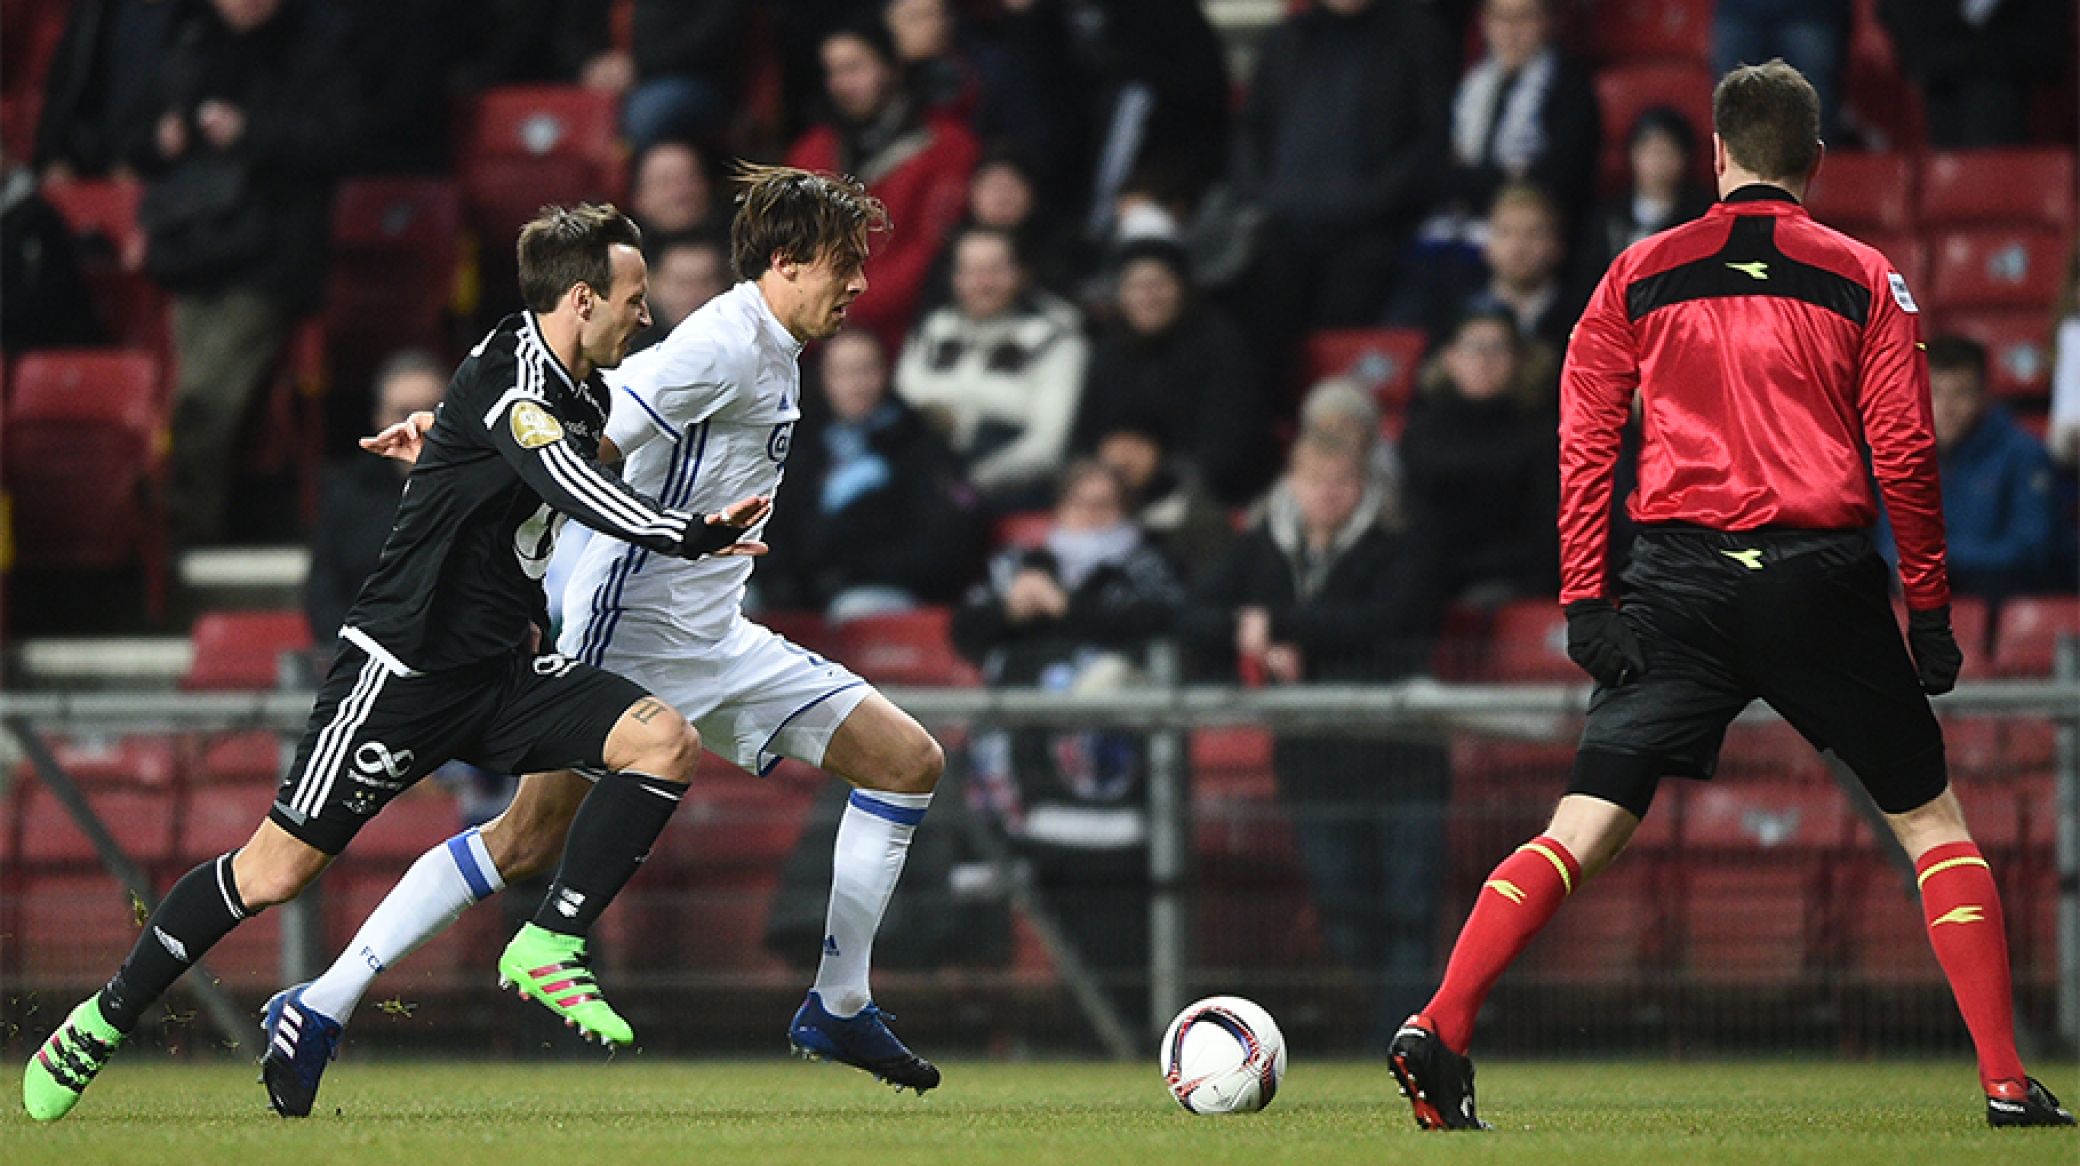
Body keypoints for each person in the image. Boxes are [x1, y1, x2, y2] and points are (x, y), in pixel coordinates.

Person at [1386, 61, 2076, 1132]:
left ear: (1715, 155)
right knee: (1930, 821)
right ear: (1814, 161)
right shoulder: (1866, 275)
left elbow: (1583, 439)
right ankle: (2001, 1080)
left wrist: (1583, 598)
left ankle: (1443, 1018)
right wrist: (1929, 609)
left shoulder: (1633, 273)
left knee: (1585, 823)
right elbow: (1903, 446)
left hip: (1675, 582)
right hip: (1818, 582)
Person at [22, 202, 773, 1122]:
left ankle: (553, 941)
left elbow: (520, 485)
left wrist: (449, 450)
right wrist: (686, 532)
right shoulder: (518, 381)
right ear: (582, 299)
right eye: (632, 298)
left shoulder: (580, 391)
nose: (644, 315)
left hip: (497, 674)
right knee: (273, 873)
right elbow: (570, 485)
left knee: (663, 742)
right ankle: (101, 1019)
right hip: (401, 676)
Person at [254, 166, 951, 1116]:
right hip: (627, 633)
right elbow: (590, 433)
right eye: (845, 264)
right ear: (786, 264)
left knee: (908, 760)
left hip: (715, 634)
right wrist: (468, 443)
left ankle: (838, 1004)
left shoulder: (778, 345)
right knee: (525, 841)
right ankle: (323, 1003)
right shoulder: (718, 344)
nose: (861, 284)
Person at [1182, 430, 1443, 1046]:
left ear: (1364, 487)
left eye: (1344, 482)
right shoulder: (1265, 548)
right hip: (1314, 764)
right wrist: (1256, 637)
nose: (1330, 494)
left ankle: (1404, 1042)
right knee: (1343, 908)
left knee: (1411, 911)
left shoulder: (1402, 541)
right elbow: (1194, 614)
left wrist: (1281, 627)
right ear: (1291, 487)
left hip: (1402, 759)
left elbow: (1393, 619)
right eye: (1317, 481)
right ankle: (1401, 1021)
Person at [951, 459, 1182, 1037]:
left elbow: (1163, 621)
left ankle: (1126, 1032)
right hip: (1026, 781)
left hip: (1118, 784)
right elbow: (965, 630)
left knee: (1119, 923)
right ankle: (1064, 1031)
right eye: (1080, 505)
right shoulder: (1020, 566)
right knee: (1053, 916)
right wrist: (1010, 608)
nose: (1090, 518)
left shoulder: (1147, 566)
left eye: (1105, 506)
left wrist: (1063, 609)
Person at [134, 0, 359, 544]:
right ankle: (170, 520)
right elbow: (141, 134)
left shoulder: (313, 50)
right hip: (197, 253)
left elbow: (336, 143)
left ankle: (184, 524)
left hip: (272, 261)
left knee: (202, 394)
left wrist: (250, 131)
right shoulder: (191, 44)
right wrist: (166, 136)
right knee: (183, 390)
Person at [1231, 0, 1454, 374]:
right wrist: (1263, 196)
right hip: (1284, 228)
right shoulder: (1285, 39)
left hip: (1373, 234)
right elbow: (1252, 128)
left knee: (1341, 351)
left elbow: (1431, 138)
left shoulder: (1417, 36)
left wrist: (1372, 201)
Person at [761, 327, 980, 619]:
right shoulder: (800, 444)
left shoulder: (919, 444)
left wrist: (850, 567)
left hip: (886, 590)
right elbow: (773, 529)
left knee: (853, 611)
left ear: (887, 373)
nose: (856, 384)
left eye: (867, 370)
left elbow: (944, 546)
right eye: (842, 373)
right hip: (804, 591)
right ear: (823, 379)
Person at [785, 21, 978, 351]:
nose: (841, 84)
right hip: (816, 342)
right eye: (833, 72)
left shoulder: (947, 147)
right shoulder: (811, 151)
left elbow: (928, 254)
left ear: (891, 68)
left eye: (854, 68)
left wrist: (839, 308)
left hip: (909, 338)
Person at [895, 224, 1088, 507]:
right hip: (919, 475)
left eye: (995, 270)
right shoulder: (935, 329)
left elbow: (1047, 447)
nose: (982, 283)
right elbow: (903, 399)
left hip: (1002, 490)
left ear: (1022, 274)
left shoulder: (1055, 340)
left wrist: (969, 481)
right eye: (970, 271)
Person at [1071, 236, 1266, 506]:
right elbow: (1084, 433)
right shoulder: (1107, 350)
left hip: (1202, 491)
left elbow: (1230, 441)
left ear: (1183, 288)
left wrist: (1162, 470)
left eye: (1159, 284)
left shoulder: (1221, 344)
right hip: (1112, 490)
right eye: (1136, 286)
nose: (1148, 297)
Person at [1399, 307, 1560, 624]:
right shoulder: (1421, 432)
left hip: (1509, 579)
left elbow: (1546, 528)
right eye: (1473, 348)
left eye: (1498, 349)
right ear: (1450, 358)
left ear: (1517, 361)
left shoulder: (1543, 435)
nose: (1485, 360)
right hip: (1428, 576)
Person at [304, 350, 450, 646]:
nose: (415, 428)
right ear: (379, 419)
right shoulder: (345, 493)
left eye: (430, 410)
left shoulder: (490, 486)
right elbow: (324, 593)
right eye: (403, 413)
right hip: (365, 662)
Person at [1916, 335, 2059, 599]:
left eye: (1960, 393)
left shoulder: (2023, 454)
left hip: (2007, 608)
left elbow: (2032, 552)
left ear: (1983, 396)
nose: (1946, 408)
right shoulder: (1906, 458)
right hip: (1925, 606)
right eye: (1934, 392)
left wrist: (1945, 559)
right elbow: (1888, 542)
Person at [1442, 0, 1600, 227]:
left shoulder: (1571, 88)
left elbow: (1559, 182)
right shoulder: (1470, 83)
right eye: (1500, 18)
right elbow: (1439, 175)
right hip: (1463, 225)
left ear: (1547, 21)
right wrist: (1509, 176)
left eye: (1524, 18)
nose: (1510, 30)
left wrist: (1473, 182)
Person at [627, 232, 729, 352]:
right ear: (652, 286)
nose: (693, 295)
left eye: (705, 282)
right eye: (682, 283)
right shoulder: (624, 349)